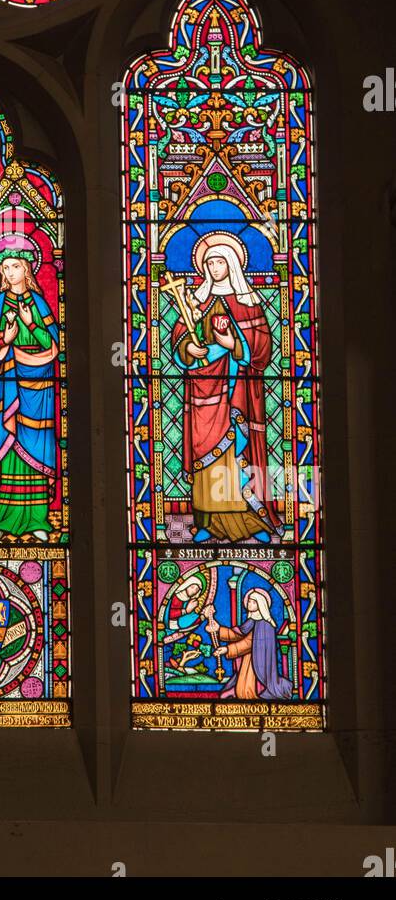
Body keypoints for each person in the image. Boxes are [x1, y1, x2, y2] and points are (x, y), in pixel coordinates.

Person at [171, 232, 278, 544]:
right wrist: (189, 349)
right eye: (209, 263)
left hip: (238, 394)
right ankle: (208, 521)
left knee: (236, 454)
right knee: (207, 457)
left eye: (219, 261)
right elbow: (180, 338)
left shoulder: (248, 303)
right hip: (204, 393)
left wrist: (235, 345)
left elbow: (262, 349)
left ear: (232, 264)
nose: (214, 267)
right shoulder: (197, 302)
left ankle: (250, 520)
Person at [0, 234, 59, 541]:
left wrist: (32, 323)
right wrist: (6, 342)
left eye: (15, 266)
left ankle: (37, 518)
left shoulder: (38, 304)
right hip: (7, 386)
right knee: (7, 446)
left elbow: (54, 348)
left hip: (40, 389)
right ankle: (2, 519)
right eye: (5, 268)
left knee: (37, 448)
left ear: (27, 269)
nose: (9, 273)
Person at [205, 587, 293, 700]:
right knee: (240, 690)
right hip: (248, 660)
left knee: (247, 693)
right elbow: (237, 634)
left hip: (258, 663)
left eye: (253, 602)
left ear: (261, 604)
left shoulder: (265, 624)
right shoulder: (251, 622)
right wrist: (218, 629)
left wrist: (227, 649)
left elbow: (249, 642)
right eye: (249, 601)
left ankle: (260, 691)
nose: (249, 603)